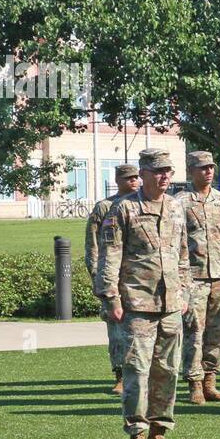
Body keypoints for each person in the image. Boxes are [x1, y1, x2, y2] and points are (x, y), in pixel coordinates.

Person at [95, 148, 192, 439]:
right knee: (137, 372)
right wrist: (111, 297)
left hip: (171, 303)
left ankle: (158, 436)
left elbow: (183, 255)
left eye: (169, 171)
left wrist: (186, 293)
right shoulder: (124, 209)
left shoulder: (176, 208)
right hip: (136, 303)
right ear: (144, 174)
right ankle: (137, 438)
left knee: (168, 370)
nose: (165, 177)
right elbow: (109, 255)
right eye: (159, 171)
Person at [178, 151, 220, 403]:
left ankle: (211, 380)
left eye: (211, 167)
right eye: (202, 168)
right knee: (195, 331)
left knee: (218, 332)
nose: (209, 172)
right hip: (194, 277)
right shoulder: (179, 202)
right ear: (191, 171)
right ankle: (195, 383)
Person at [85, 163, 141, 394]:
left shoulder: (142, 205)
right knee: (117, 332)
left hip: (139, 280)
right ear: (117, 181)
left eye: (137, 177)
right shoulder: (105, 208)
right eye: (129, 178)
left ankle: (140, 375)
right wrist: (100, 281)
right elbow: (93, 247)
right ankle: (120, 375)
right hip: (113, 280)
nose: (134, 181)